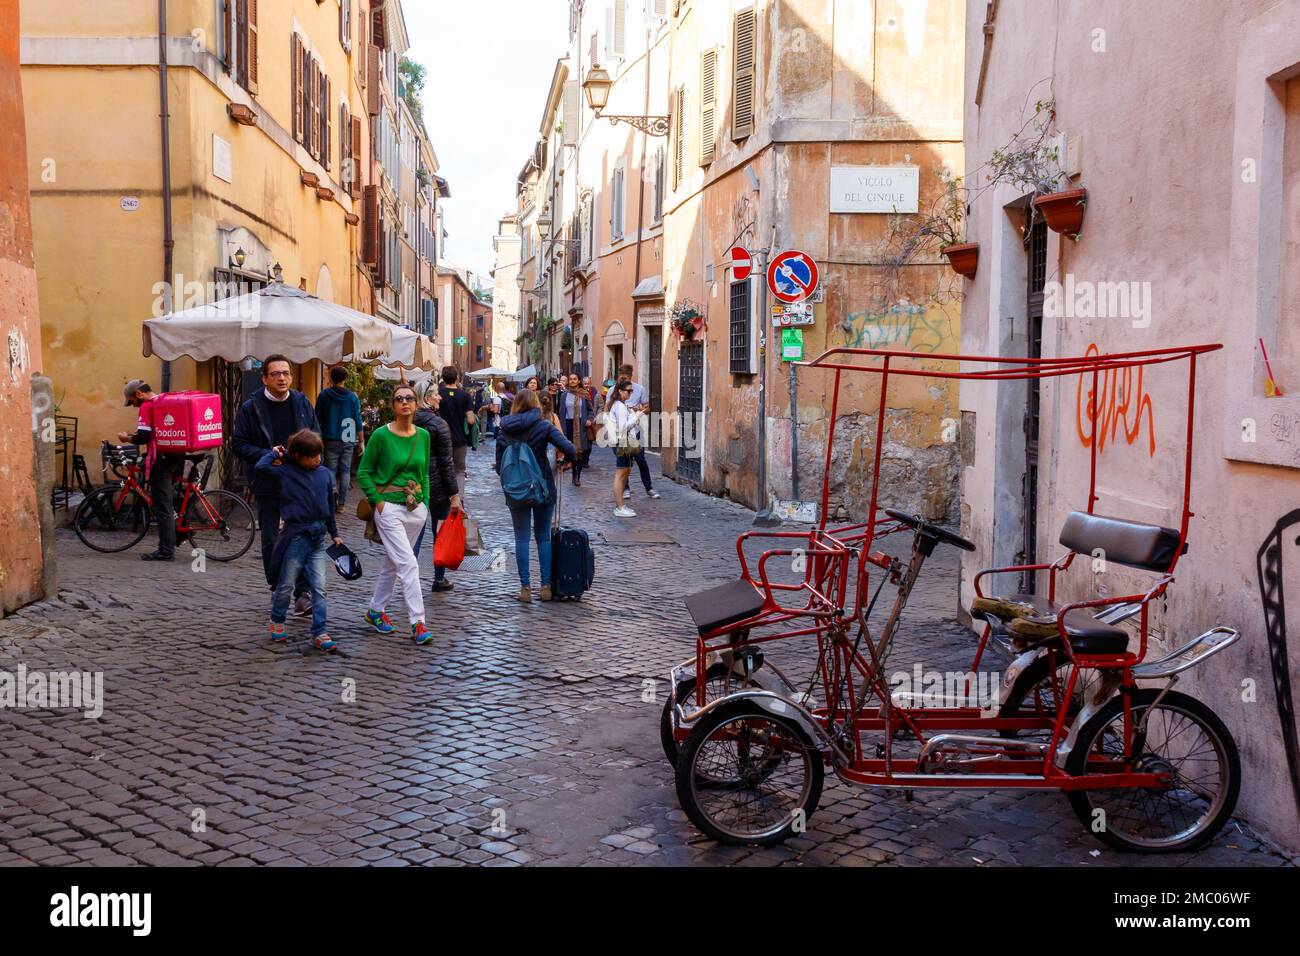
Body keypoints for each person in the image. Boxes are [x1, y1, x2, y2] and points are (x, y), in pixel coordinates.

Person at [231, 355, 321, 614]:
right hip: (268, 481)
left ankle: (302, 593)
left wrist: (312, 465)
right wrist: (266, 454)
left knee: (302, 534)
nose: (282, 378)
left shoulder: (302, 402)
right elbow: (239, 444)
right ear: (265, 378)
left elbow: (316, 437)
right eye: (275, 374)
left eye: (286, 373)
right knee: (271, 539)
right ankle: (277, 587)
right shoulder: (252, 407)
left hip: (299, 482)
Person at [357, 384, 433, 645]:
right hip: (389, 509)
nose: (404, 403)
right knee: (408, 564)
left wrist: (426, 502)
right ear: (393, 405)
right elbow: (363, 472)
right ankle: (418, 622)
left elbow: (424, 471)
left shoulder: (423, 435)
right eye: (399, 399)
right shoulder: (381, 435)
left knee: (394, 562)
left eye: (409, 398)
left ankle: (375, 611)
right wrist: (378, 502)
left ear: (416, 403)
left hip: (416, 510)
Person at [254, 429, 342, 653]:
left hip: (318, 537)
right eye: (313, 456)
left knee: (319, 587)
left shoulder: (324, 474)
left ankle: (319, 631)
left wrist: (335, 533)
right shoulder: (285, 473)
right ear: (299, 456)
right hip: (295, 537)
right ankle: (278, 619)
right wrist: (275, 453)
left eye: (319, 455)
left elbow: (329, 509)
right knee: (285, 584)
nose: (318, 459)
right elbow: (260, 468)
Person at [495, 388, 576, 602]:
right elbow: (571, 448)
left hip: (516, 489)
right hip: (542, 487)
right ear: (536, 405)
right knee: (543, 537)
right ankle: (546, 587)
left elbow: (499, 465)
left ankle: (525, 589)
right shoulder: (543, 425)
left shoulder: (504, 429)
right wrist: (564, 461)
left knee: (521, 538)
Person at [118, 379, 186, 562]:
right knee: (170, 499)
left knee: (162, 505)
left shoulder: (147, 406)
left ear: (139, 394)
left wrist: (127, 438)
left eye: (132, 400)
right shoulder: (163, 400)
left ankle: (166, 550)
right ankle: (179, 533)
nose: (133, 405)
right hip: (176, 456)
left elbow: (144, 436)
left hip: (161, 460)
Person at [413, 381, 463, 593]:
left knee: (415, 532)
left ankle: (410, 578)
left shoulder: (407, 422)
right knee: (439, 533)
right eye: (435, 394)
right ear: (426, 397)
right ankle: (439, 578)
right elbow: (446, 462)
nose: (440, 397)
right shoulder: (439, 424)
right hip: (439, 487)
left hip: (413, 485)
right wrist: (454, 493)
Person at [316, 365, 362, 514]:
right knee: (346, 470)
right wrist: (361, 441)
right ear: (345, 379)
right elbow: (358, 419)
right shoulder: (353, 397)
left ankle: (333, 491)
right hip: (348, 437)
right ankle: (341, 503)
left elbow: (317, 417)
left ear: (331, 378)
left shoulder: (324, 395)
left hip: (330, 436)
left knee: (330, 468)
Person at [617, 363, 661, 501]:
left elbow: (647, 409)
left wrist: (637, 410)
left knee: (641, 459)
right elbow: (608, 408)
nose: (624, 380)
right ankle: (626, 489)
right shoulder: (614, 389)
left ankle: (649, 488)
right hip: (621, 431)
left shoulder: (639, 389)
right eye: (622, 378)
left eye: (627, 378)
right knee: (624, 461)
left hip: (636, 430)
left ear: (631, 376)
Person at [606, 379, 639, 518]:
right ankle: (619, 507)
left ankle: (621, 506)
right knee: (620, 474)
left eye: (632, 391)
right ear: (620, 391)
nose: (630, 393)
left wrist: (633, 413)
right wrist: (637, 415)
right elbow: (623, 427)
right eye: (628, 391)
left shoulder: (622, 405)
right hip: (621, 442)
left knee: (625, 472)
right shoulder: (619, 405)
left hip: (623, 442)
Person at [437, 366, 473, 495]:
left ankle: (446, 496)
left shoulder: (438, 395)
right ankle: (459, 498)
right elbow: (470, 420)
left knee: (442, 468)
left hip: (441, 438)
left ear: (443, 377)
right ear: (456, 377)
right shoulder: (465, 395)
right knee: (459, 470)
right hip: (459, 438)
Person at [560, 373, 594, 486]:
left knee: (580, 452)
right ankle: (573, 472)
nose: (572, 381)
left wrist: (589, 419)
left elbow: (590, 410)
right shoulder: (564, 395)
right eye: (570, 379)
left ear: (579, 381)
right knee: (571, 450)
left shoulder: (584, 395)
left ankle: (577, 476)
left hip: (581, 424)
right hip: (568, 424)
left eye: (575, 379)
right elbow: (561, 411)